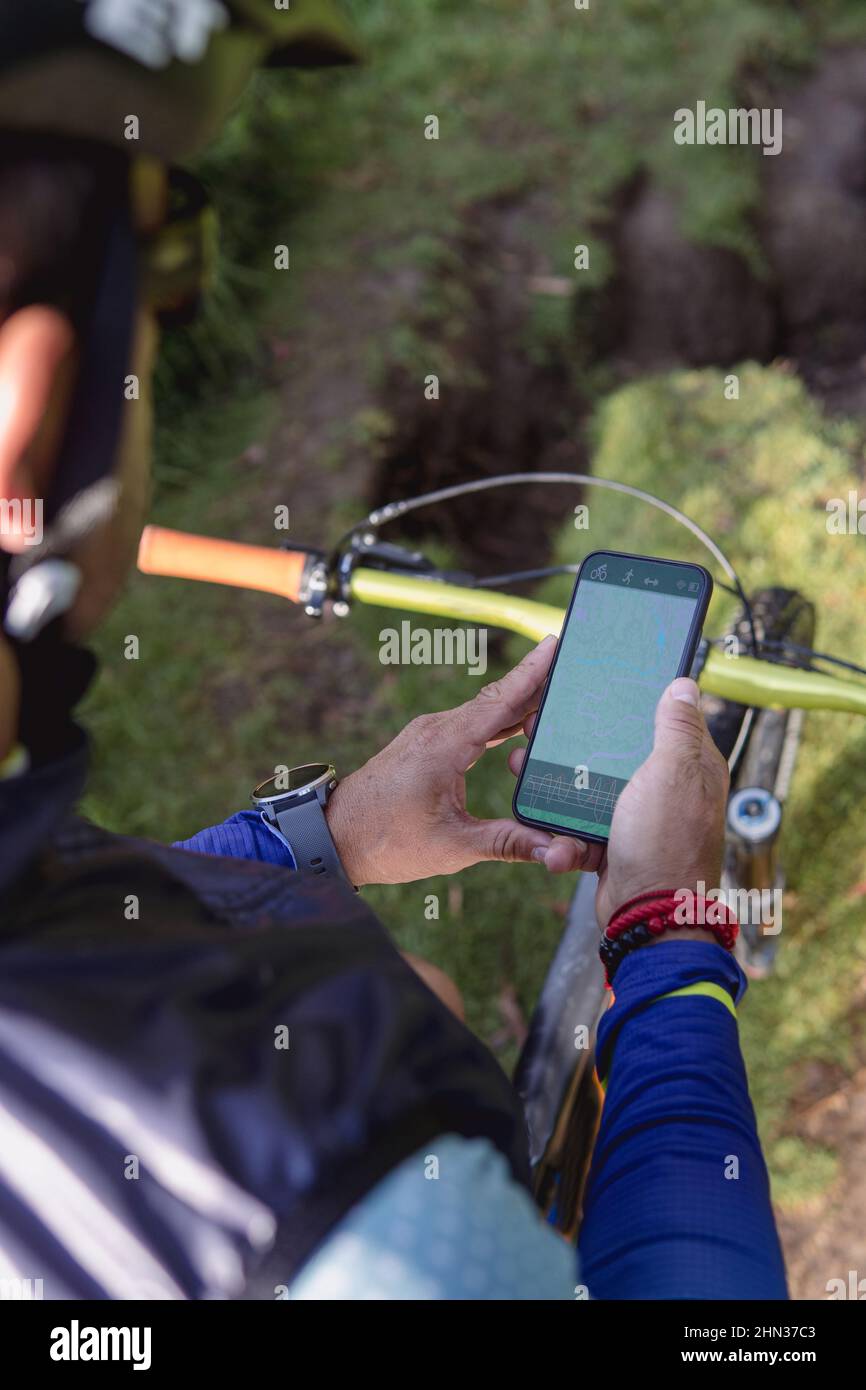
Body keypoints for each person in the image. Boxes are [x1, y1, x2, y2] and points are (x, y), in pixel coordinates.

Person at [0, 1, 787, 1299]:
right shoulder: (315, 1182)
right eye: (172, 256)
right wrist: (666, 929)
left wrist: (326, 838)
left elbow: (69, 893)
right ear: (32, 401)